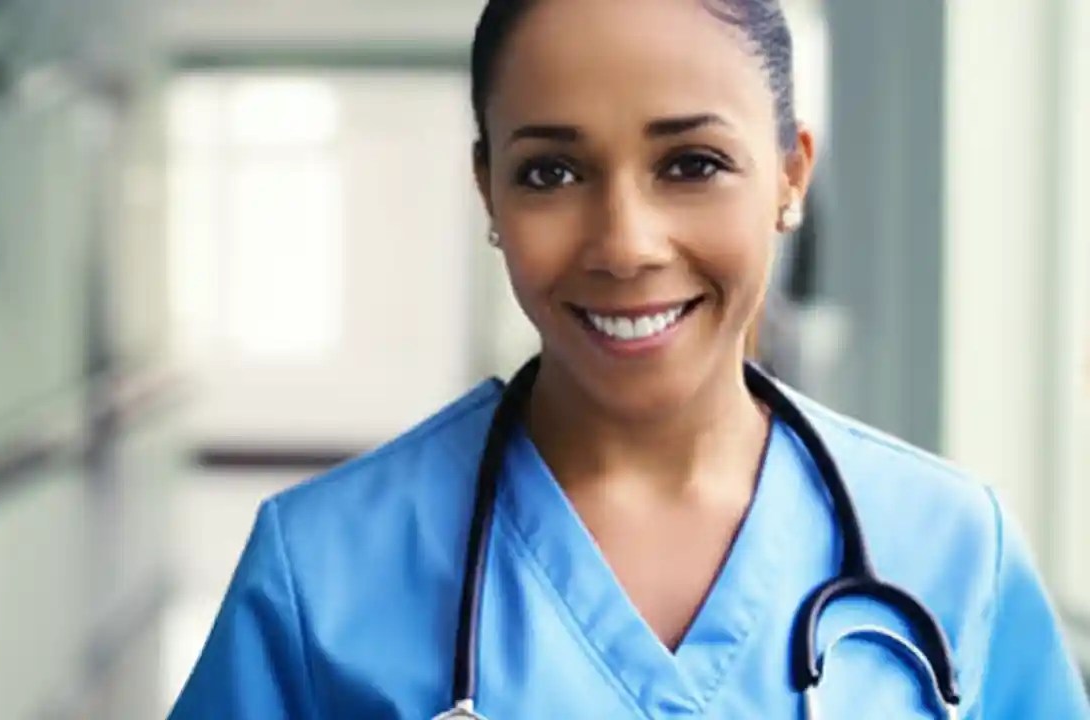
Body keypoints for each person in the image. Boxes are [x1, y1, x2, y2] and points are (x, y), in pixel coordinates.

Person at [170, 0, 1090, 717]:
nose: (625, 243)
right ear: (488, 190)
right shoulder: (323, 573)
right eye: (552, 173)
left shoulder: (953, 552)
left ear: (791, 176)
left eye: (691, 164)